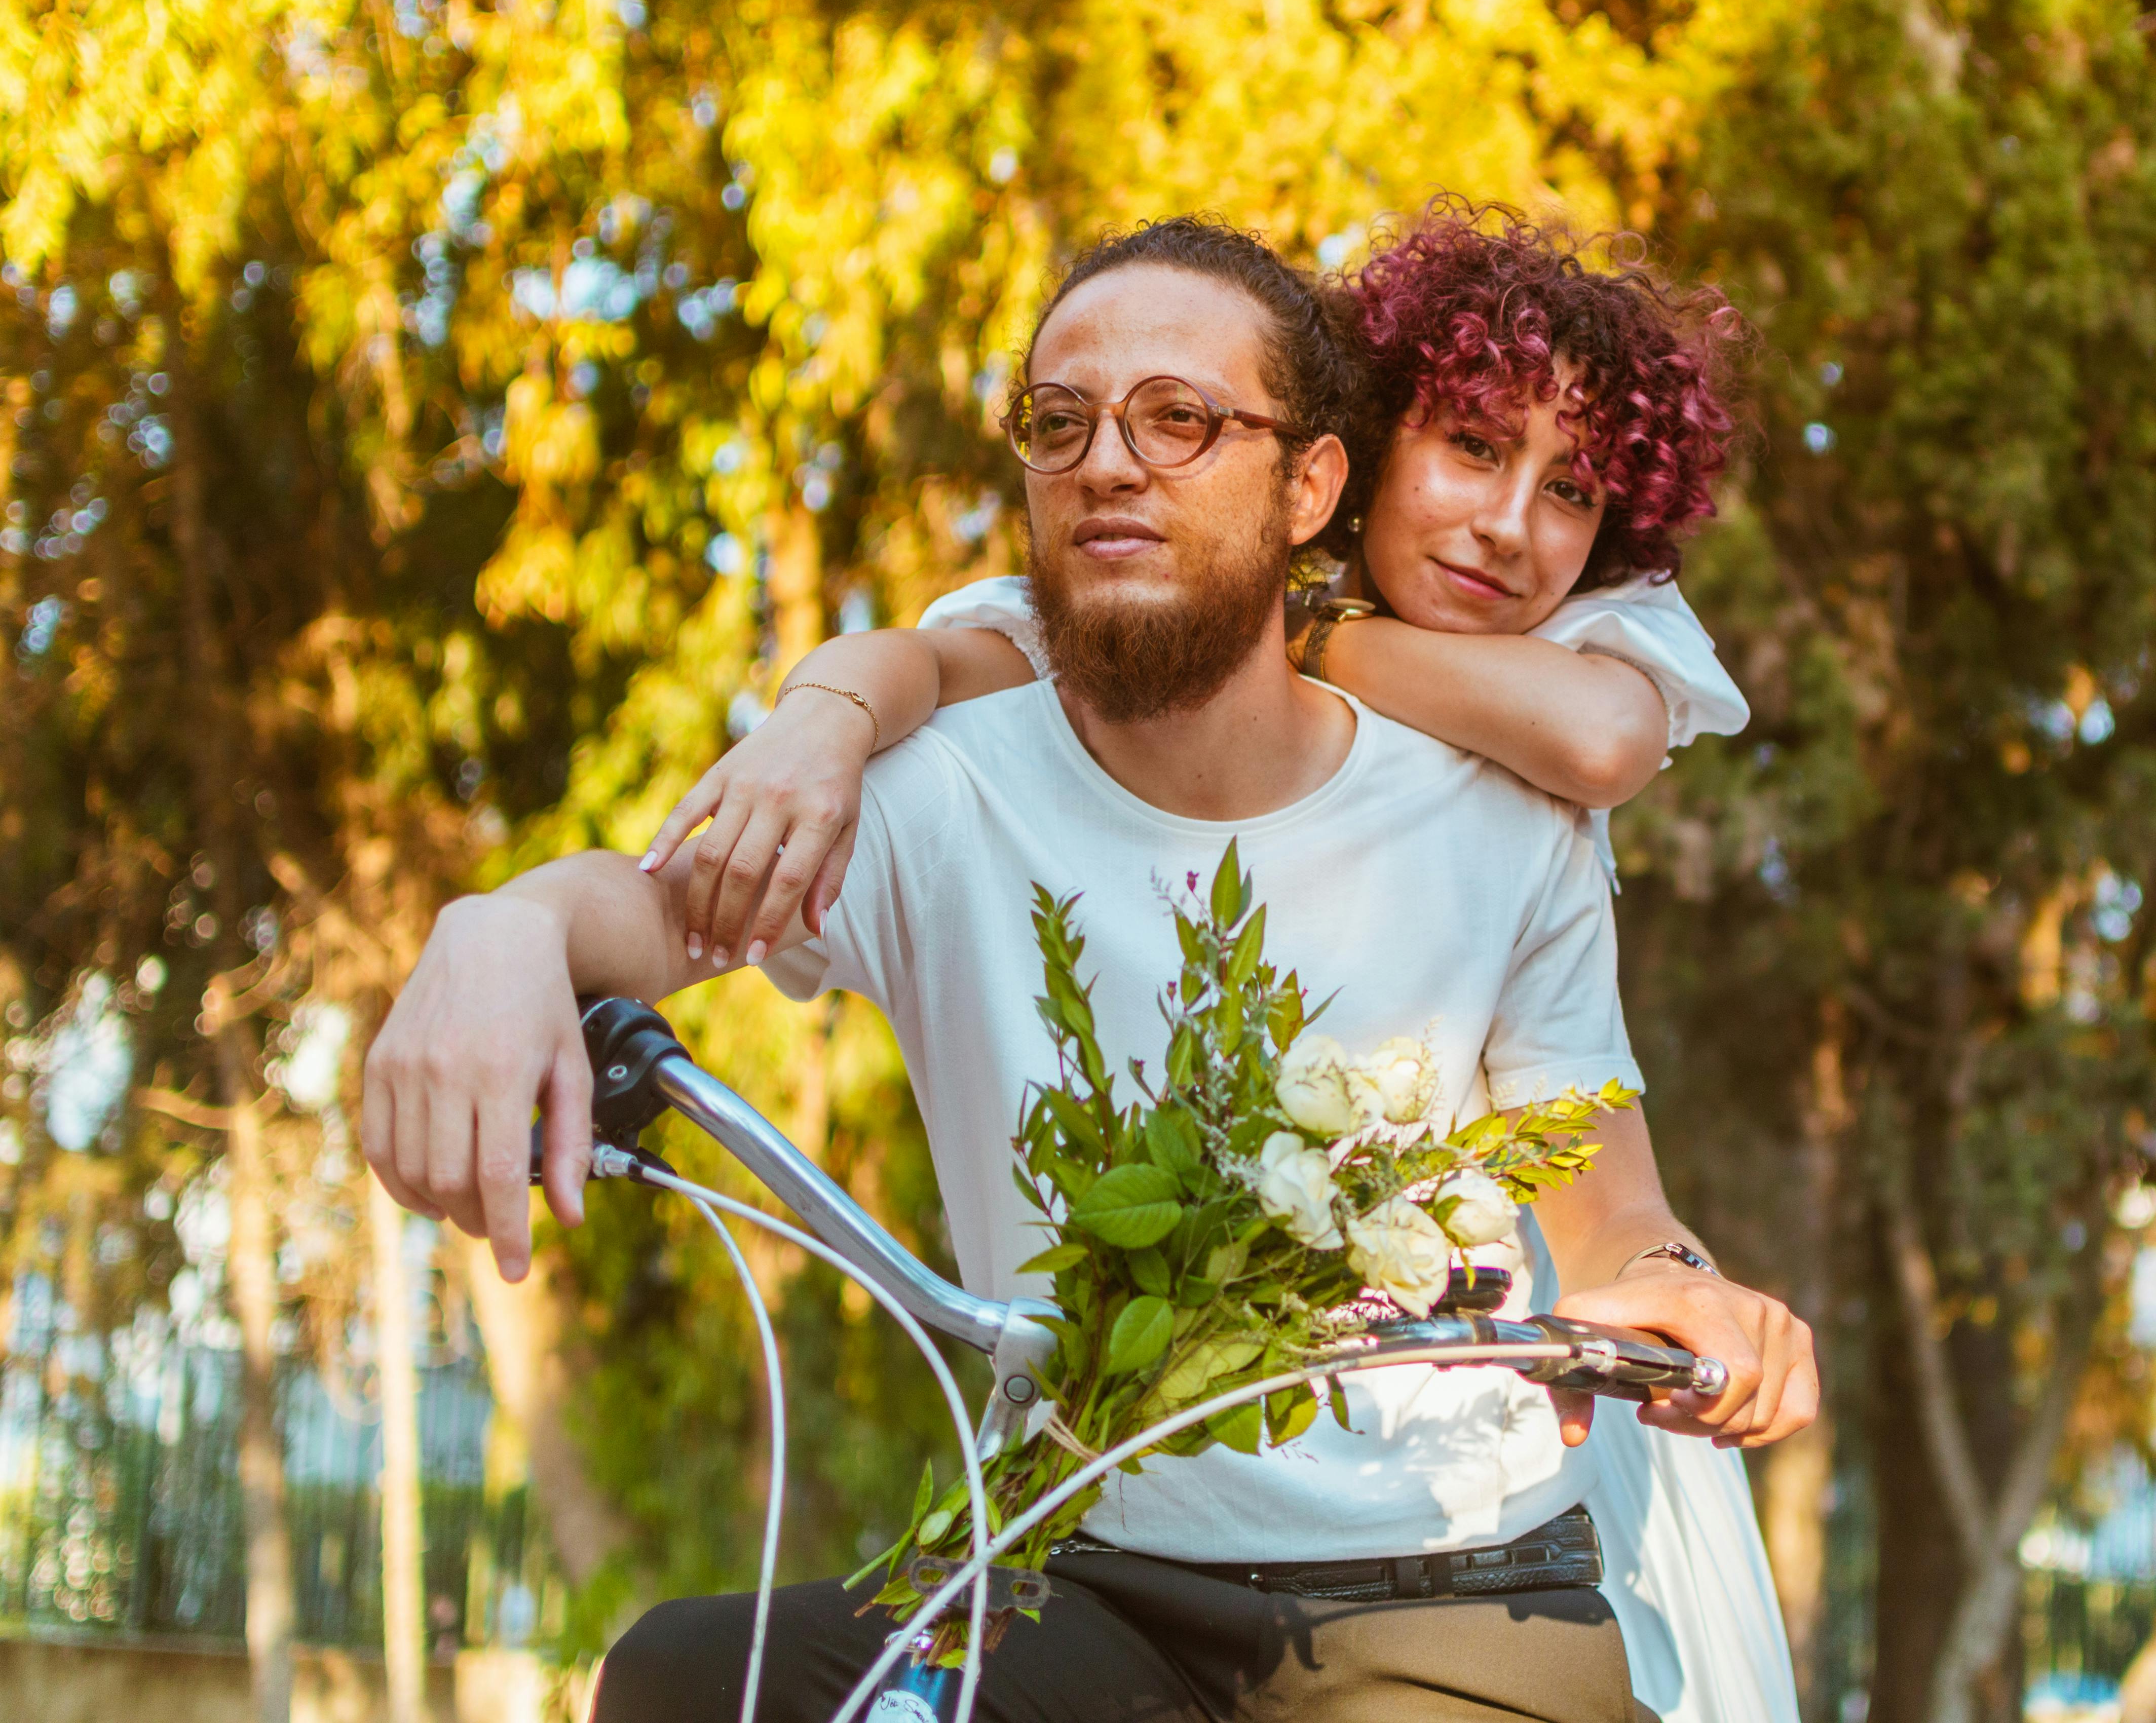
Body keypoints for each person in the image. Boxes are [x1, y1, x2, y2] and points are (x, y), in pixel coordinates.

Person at [362, 214, 1816, 1722]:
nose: (1113, 462)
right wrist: (503, 927)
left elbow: (1607, 1193)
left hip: (1442, 1591)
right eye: (1064, 423)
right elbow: (658, 912)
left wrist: (1679, 1290)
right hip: (1083, 1574)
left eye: (1181, 419)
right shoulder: (950, 781)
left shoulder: (1503, 805)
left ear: (1311, 482)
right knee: (690, 1678)